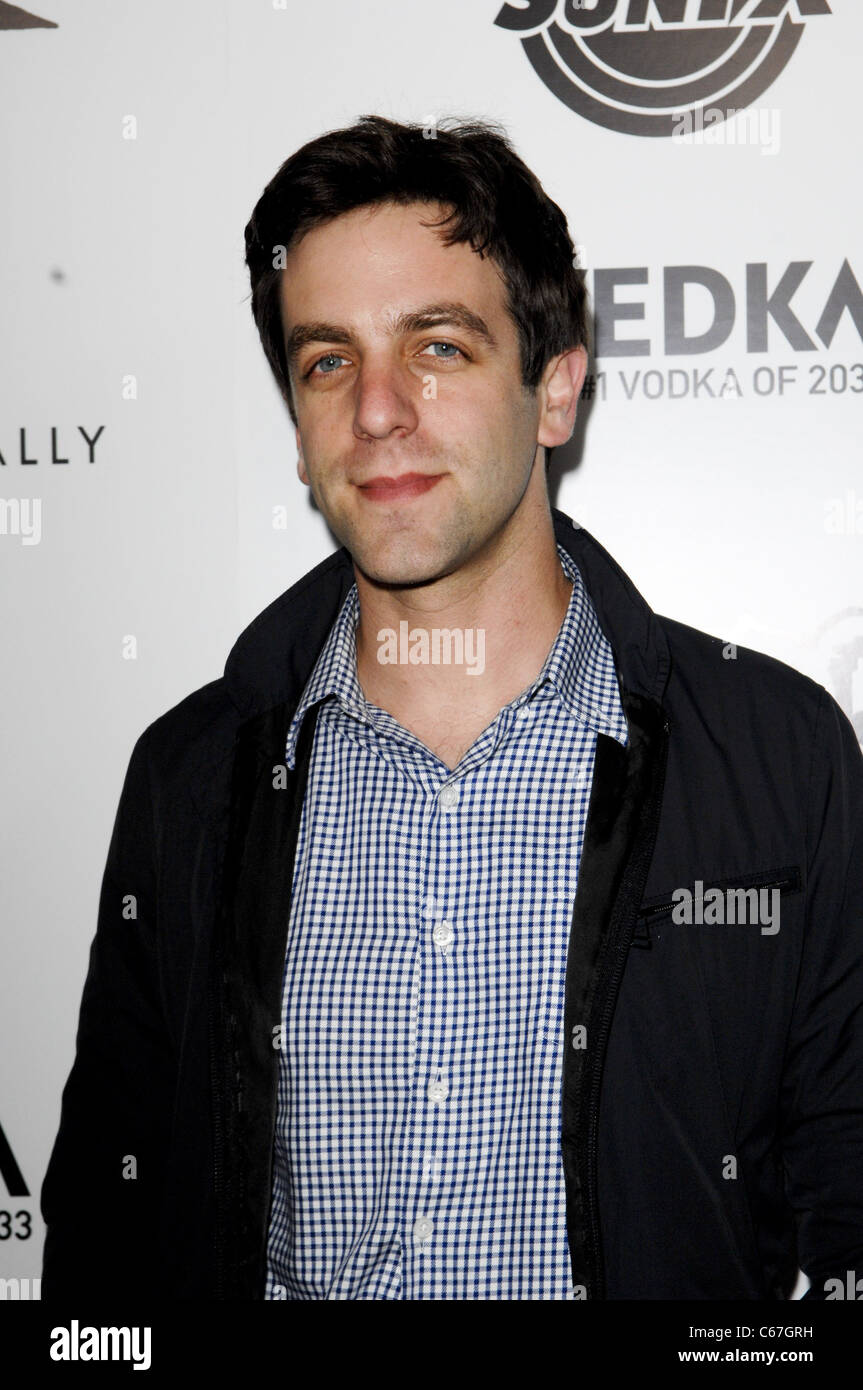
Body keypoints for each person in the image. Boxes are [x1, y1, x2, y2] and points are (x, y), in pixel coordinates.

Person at [41, 114, 863, 1301]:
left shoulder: (779, 758)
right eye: (327, 360)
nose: (375, 411)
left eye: (435, 347)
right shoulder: (193, 772)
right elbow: (111, 1226)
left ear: (553, 391)